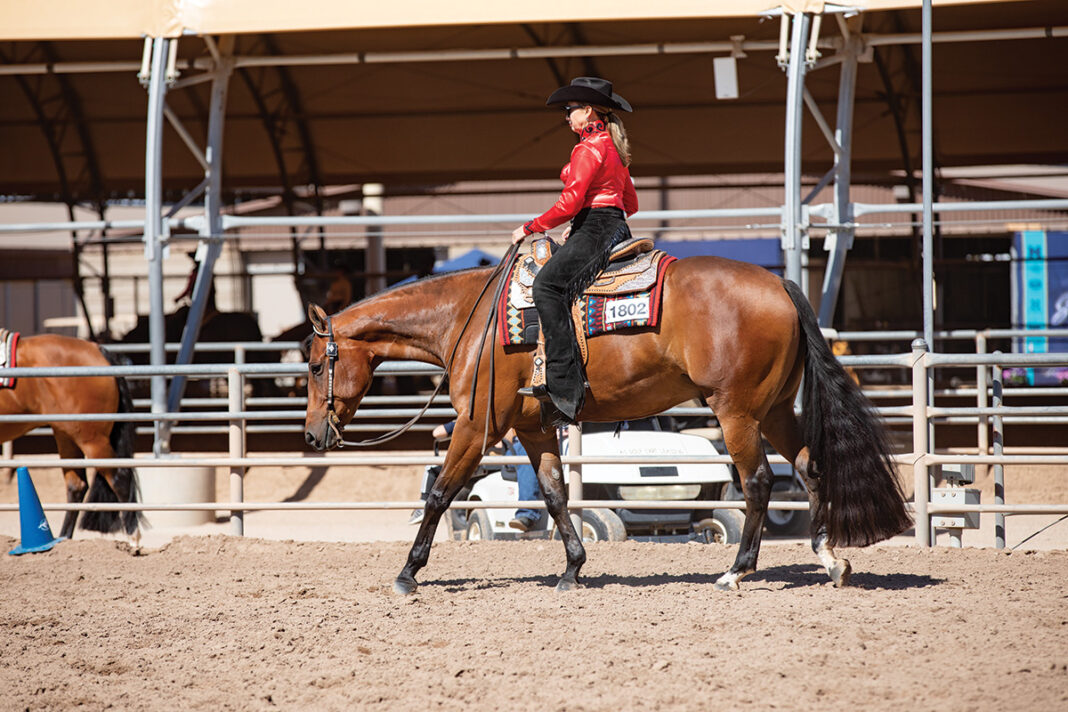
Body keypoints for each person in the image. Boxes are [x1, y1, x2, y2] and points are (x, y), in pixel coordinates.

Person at [512, 76, 638, 424]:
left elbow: (569, 203)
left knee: (546, 287)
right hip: (613, 226)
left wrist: (530, 227)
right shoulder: (613, 148)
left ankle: (563, 385)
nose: (567, 116)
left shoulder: (587, 148)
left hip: (596, 229)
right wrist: (582, 221)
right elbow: (630, 204)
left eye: (571, 109)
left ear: (588, 110)